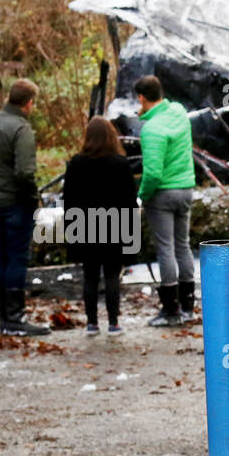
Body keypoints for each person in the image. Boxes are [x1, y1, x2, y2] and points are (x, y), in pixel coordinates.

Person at [0, 79, 49, 336]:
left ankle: (4, 317)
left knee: (1, 256)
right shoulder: (21, 129)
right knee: (18, 256)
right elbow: (24, 172)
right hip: (15, 202)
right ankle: (15, 319)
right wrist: (33, 199)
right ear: (29, 102)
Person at [63, 117, 138, 335]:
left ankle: (91, 323)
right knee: (113, 275)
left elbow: (68, 199)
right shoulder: (121, 163)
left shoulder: (76, 163)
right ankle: (114, 322)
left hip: (85, 224)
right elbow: (129, 199)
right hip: (115, 224)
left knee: (90, 275)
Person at [133, 75, 196, 326]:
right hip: (186, 189)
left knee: (165, 248)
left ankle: (171, 311)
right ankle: (188, 307)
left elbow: (153, 174)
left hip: (162, 194)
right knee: (183, 245)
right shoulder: (179, 112)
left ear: (141, 98)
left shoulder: (151, 130)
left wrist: (141, 196)